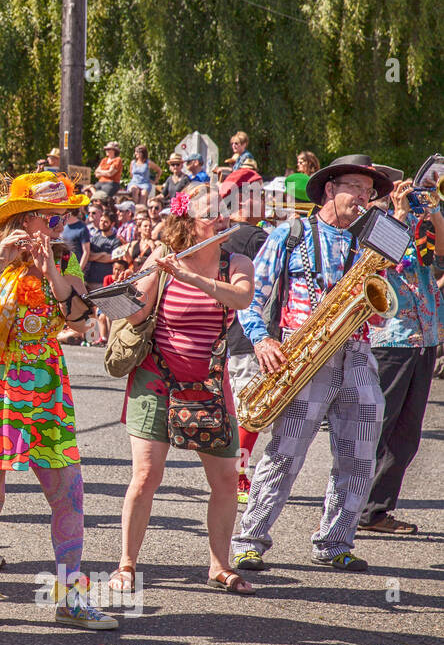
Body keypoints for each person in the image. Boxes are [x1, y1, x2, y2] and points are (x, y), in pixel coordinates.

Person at [0, 172, 115, 630]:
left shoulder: (65, 257)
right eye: (52, 218)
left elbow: (78, 317)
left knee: (69, 492)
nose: (60, 225)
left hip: (42, 383)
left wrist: (50, 267)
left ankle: (69, 598)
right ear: (25, 216)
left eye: (64, 217)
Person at [232, 154, 393, 573]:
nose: (363, 197)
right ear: (329, 189)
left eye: (369, 191)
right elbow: (250, 296)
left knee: (360, 458)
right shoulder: (290, 232)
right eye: (355, 187)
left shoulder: (370, 241)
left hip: (356, 355)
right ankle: (249, 540)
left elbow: (382, 309)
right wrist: (262, 338)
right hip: (303, 354)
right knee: (286, 453)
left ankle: (335, 541)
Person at [108, 184, 257, 597]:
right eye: (212, 214)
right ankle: (127, 563)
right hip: (156, 379)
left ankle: (219, 565)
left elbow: (242, 298)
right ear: (189, 221)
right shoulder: (163, 256)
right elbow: (135, 313)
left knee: (227, 480)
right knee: (146, 475)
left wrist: (191, 276)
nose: (223, 220)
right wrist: (127, 288)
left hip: (209, 383)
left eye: (225, 212)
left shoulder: (235, 261)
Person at [358, 178, 442, 534]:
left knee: (407, 433)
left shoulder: (423, 227)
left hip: (424, 336)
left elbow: (441, 260)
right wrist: (399, 213)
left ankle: (376, 509)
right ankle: (354, 506)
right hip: (390, 336)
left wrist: (436, 212)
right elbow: (378, 262)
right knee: (380, 426)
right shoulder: (373, 225)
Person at [217, 169, 270, 504]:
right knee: (253, 412)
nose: (267, 202)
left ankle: (231, 472)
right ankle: (236, 475)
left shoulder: (217, 236)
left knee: (238, 409)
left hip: (224, 337)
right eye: (260, 195)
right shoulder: (256, 238)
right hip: (249, 338)